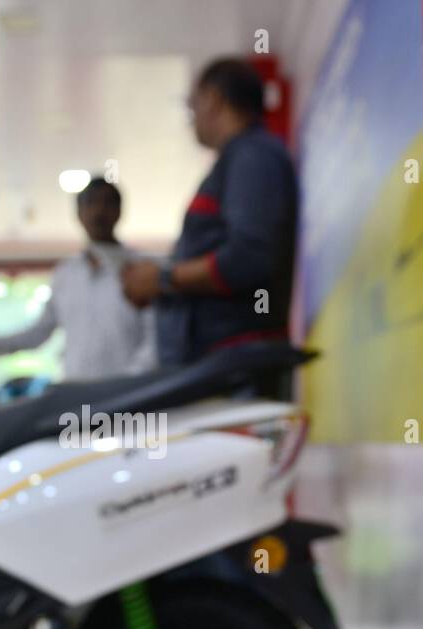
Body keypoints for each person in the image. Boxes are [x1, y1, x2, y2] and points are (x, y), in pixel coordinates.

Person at [120, 57, 297, 392]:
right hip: (222, 365)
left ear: (213, 98)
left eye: (194, 103)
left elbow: (251, 256)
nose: (192, 116)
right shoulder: (239, 158)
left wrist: (162, 279)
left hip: (236, 366)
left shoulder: (253, 155)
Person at [0, 178, 156, 379]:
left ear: (119, 211)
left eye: (107, 203)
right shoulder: (66, 274)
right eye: (91, 203)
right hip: (76, 398)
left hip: (129, 401)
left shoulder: (143, 270)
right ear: (79, 213)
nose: (98, 212)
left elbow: (155, 339)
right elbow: (37, 333)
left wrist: (130, 384)